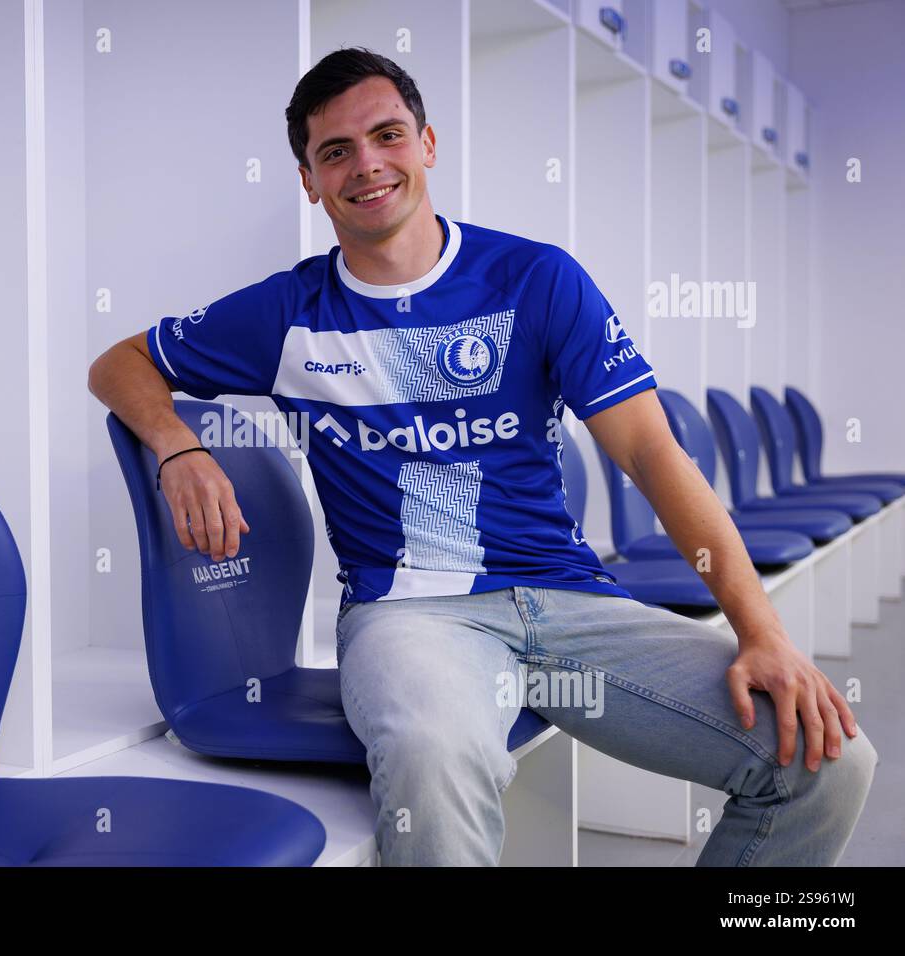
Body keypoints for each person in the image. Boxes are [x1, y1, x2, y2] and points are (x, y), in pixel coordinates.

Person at [87, 47, 876, 866]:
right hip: (410, 618)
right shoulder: (289, 312)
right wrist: (179, 445)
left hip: (570, 603)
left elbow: (649, 451)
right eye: (336, 152)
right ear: (309, 180)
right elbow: (119, 364)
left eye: (387, 135)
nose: (367, 164)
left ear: (427, 144)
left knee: (825, 759)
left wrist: (762, 633)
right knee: (434, 753)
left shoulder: (536, 279)